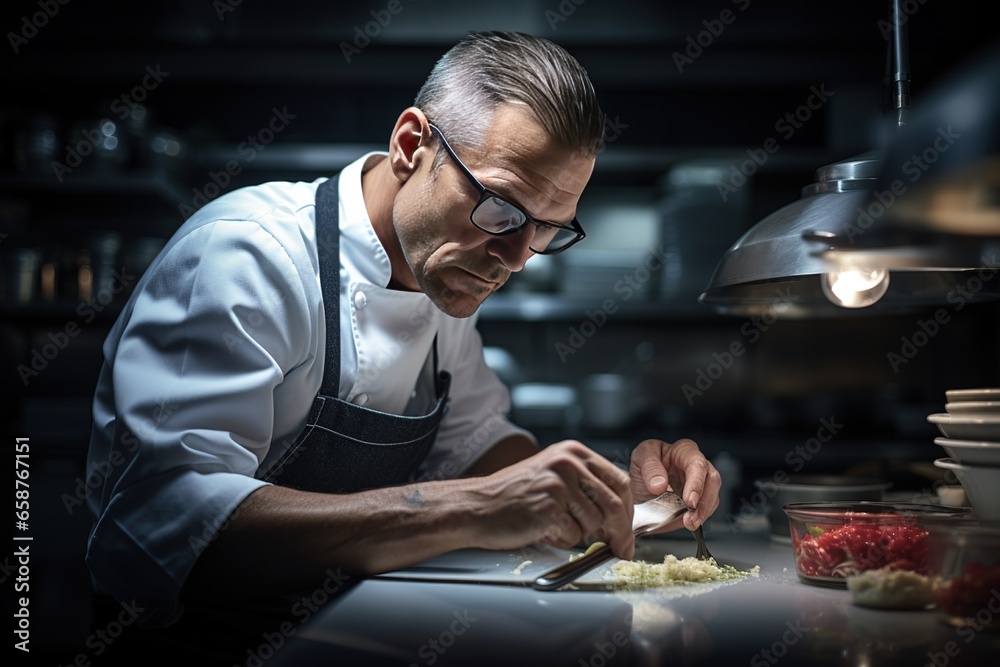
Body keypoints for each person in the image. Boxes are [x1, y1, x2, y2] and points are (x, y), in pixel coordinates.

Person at [84, 30, 721, 629]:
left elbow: (477, 445)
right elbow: (160, 529)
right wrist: (473, 508)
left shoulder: (443, 274)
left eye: (549, 229)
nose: (518, 259)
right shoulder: (247, 259)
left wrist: (614, 495)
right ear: (412, 145)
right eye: (500, 207)